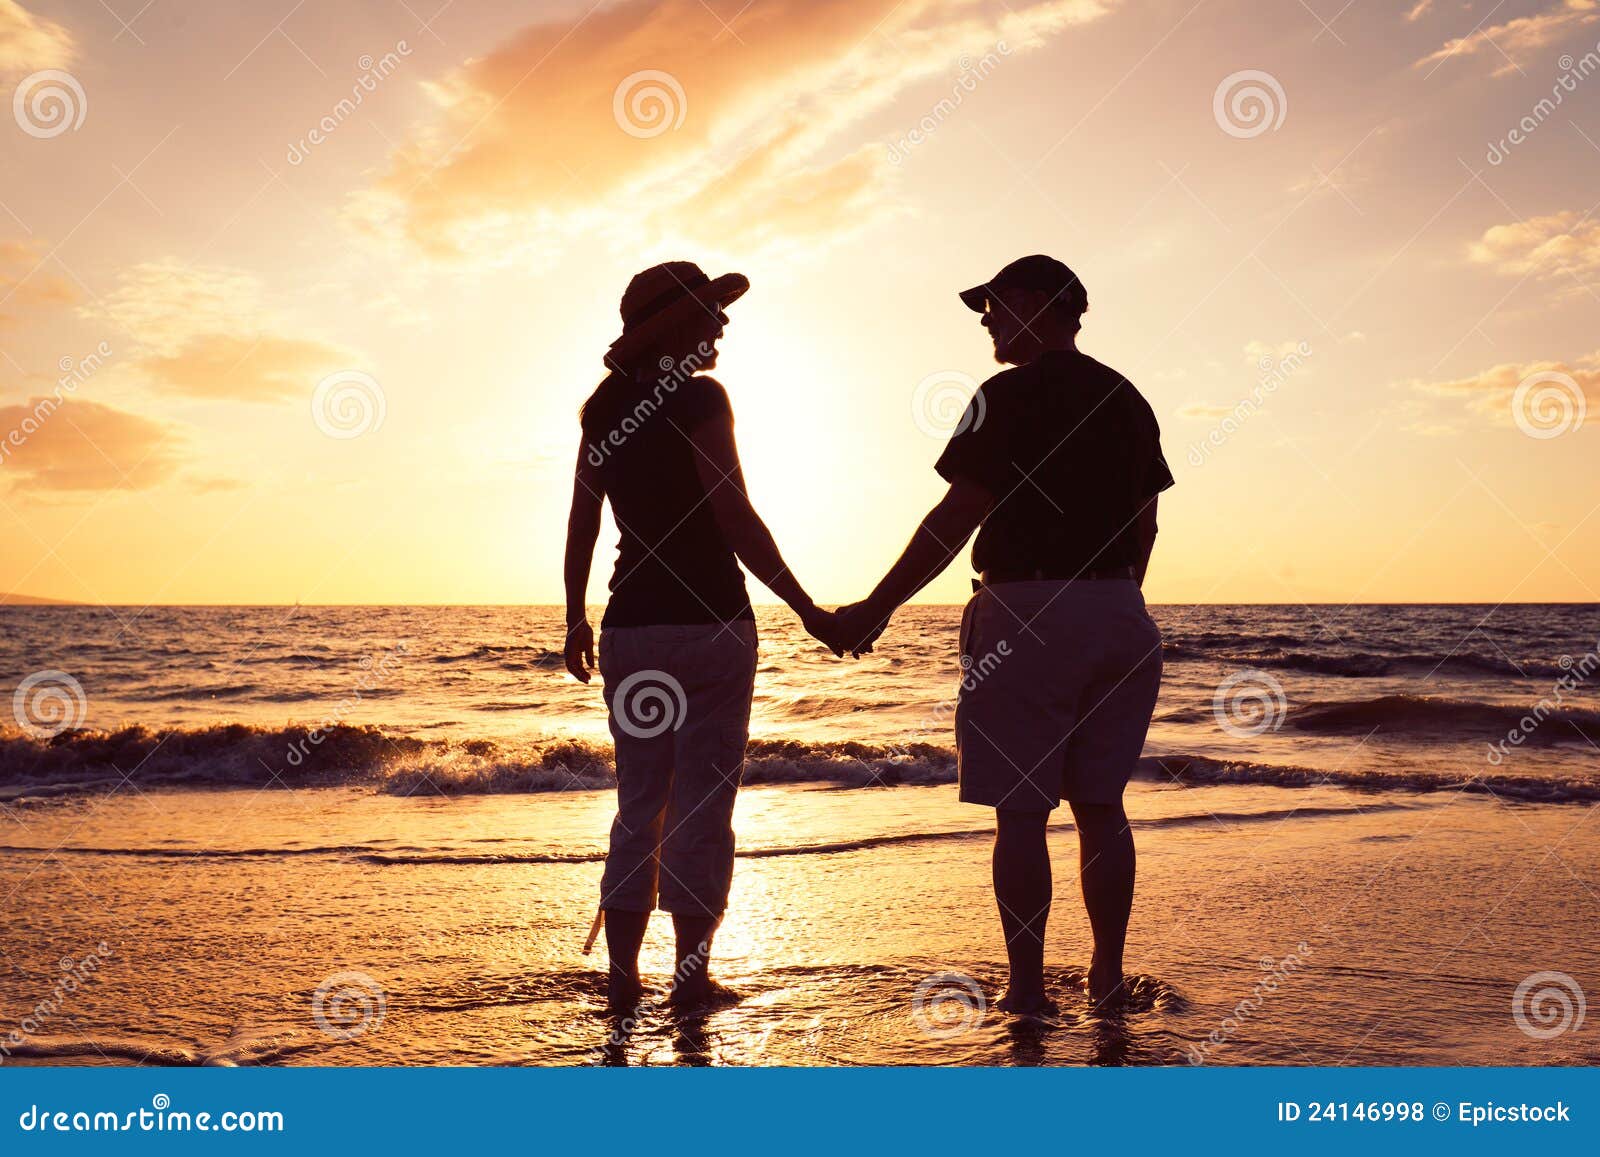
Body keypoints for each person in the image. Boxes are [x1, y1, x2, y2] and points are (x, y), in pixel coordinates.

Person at [837, 255, 1172, 1015]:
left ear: (1031, 303)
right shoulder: (1127, 396)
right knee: (1101, 806)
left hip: (1026, 609)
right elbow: (1147, 521)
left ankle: (1026, 990)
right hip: (1121, 610)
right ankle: (1106, 978)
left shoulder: (1005, 394)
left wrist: (878, 604)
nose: (986, 319)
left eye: (992, 305)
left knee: (1021, 812)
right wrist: (1114, 597)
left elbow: (956, 518)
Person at [563, 261, 848, 1009]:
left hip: (631, 627)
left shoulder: (602, 406)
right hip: (710, 625)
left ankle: (624, 980)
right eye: (708, 314)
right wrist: (808, 608)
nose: (721, 326)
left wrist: (574, 615)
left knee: (638, 802)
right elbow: (733, 516)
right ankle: (689, 981)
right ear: (677, 326)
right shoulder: (699, 398)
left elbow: (583, 520)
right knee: (702, 805)